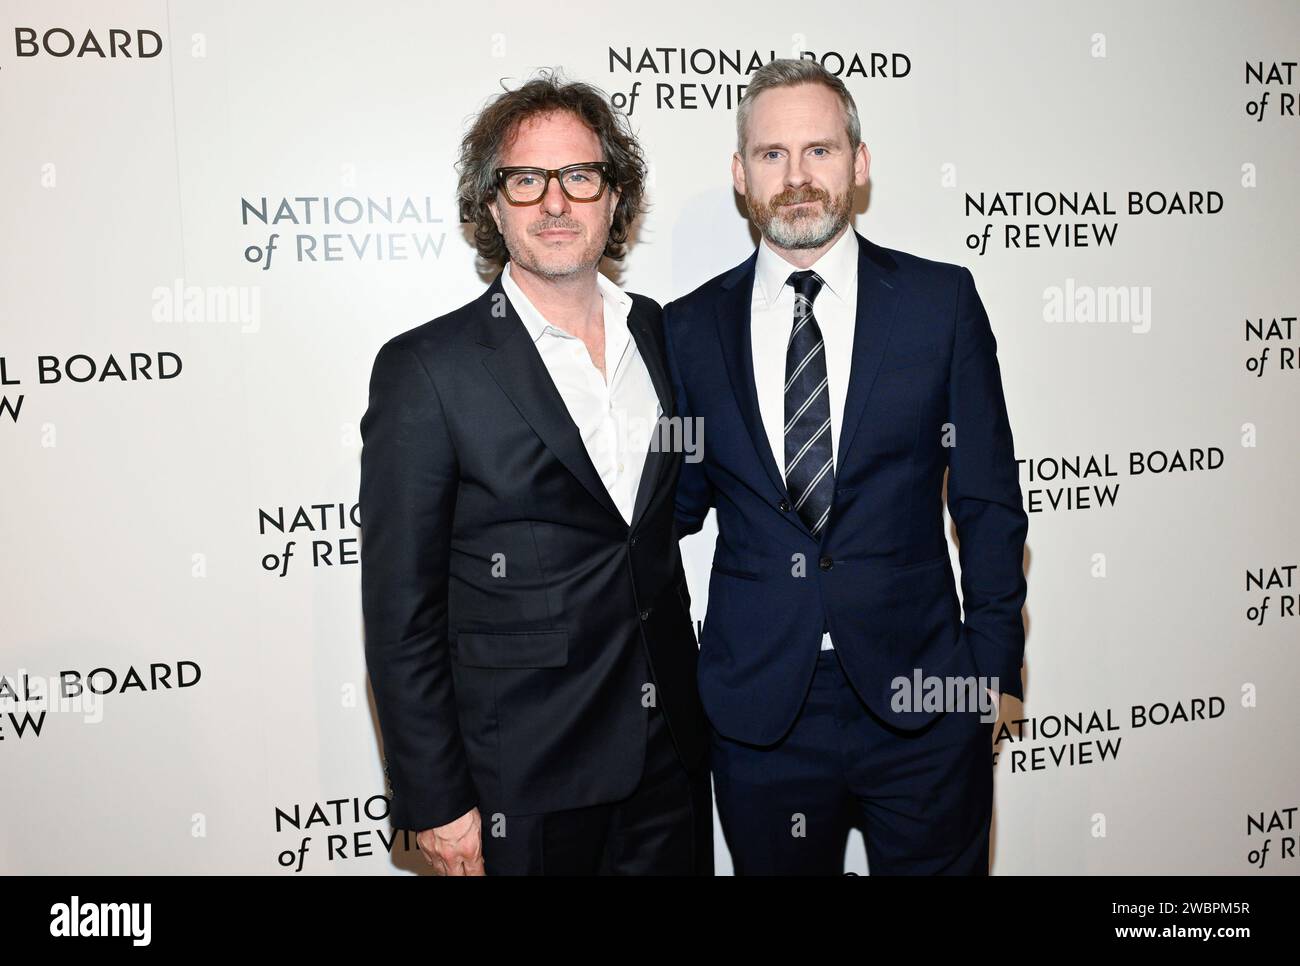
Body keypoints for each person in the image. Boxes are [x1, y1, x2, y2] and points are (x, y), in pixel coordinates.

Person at [663, 58, 1028, 874]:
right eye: (771, 155)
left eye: (820, 151)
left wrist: (992, 676)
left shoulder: (941, 304)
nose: (796, 177)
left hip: (928, 703)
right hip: (761, 716)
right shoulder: (686, 331)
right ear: (739, 174)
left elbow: (989, 503)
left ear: (859, 165)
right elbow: (671, 511)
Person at [359, 70, 712, 875]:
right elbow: (400, 611)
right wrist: (437, 801)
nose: (556, 202)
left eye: (580, 176)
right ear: (492, 204)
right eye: (526, 180)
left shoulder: (657, 334)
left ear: (614, 198)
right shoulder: (427, 369)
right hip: (520, 776)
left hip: (672, 760)